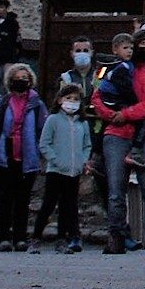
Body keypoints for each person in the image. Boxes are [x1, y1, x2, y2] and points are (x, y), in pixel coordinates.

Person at [94, 32, 145, 254]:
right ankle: (116, 237)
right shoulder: (118, 68)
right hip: (116, 133)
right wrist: (110, 115)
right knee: (116, 189)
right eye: (142, 43)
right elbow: (97, 97)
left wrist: (125, 114)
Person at [0, 63, 46, 251]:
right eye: (17, 78)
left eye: (25, 78)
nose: (21, 81)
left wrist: (38, 151)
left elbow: (42, 129)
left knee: (23, 199)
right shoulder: (4, 102)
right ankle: (3, 236)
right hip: (5, 154)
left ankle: (20, 237)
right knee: (4, 197)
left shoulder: (37, 104)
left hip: (27, 154)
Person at [38, 81, 94, 252]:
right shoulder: (53, 119)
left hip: (73, 171)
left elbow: (87, 145)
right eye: (68, 98)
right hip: (56, 170)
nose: (72, 101)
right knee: (48, 204)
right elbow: (44, 143)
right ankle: (36, 237)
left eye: (76, 99)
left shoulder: (82, 123)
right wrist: (54, 160)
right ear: (60, 100)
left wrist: (83, 161)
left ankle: (63, 238)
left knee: (68, 205)